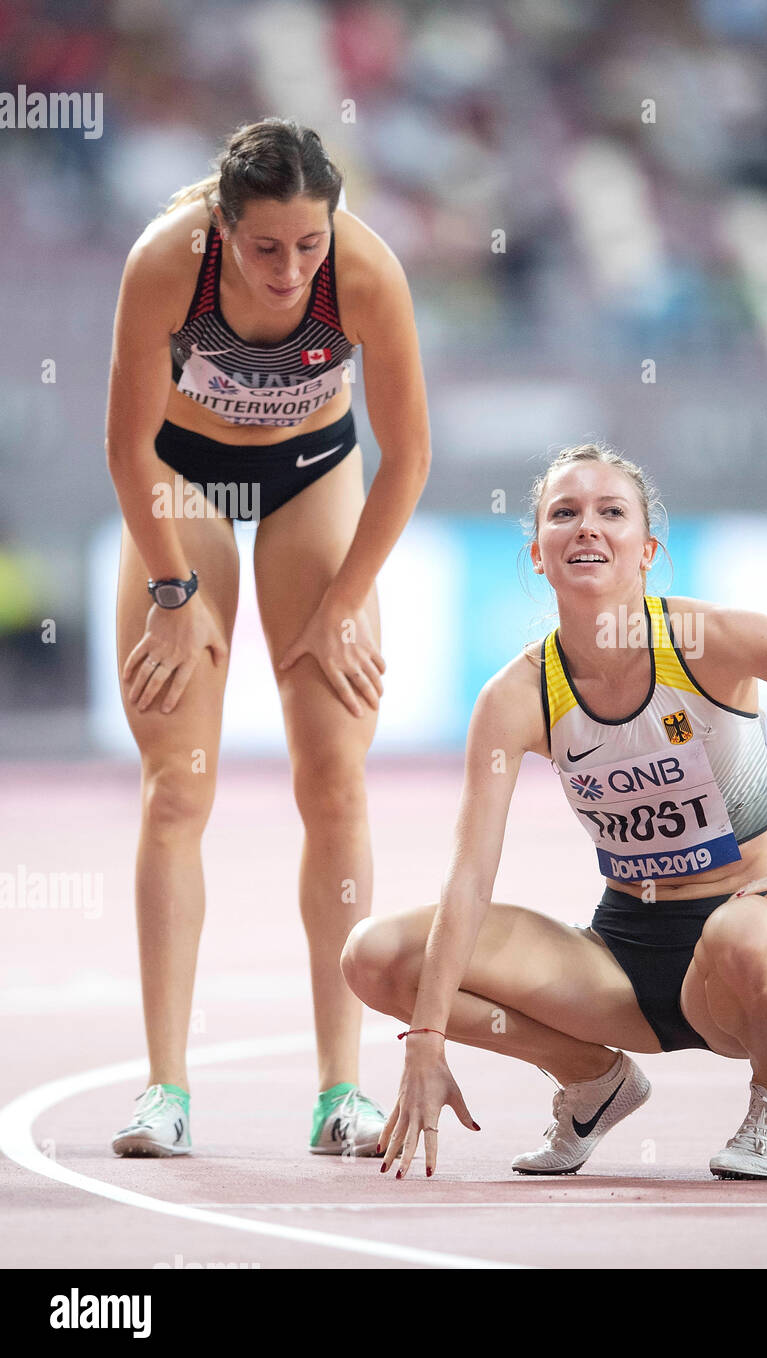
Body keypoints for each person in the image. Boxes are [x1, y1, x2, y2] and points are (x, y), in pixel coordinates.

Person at [341, 443, 767, 1180]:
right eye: (565, 514)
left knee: (741, 932)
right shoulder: (516, 698)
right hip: (616, 962)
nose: (588, 527)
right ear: (538, 556)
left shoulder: (708, 640)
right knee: (374, 956)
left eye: (611, 512)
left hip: (740, 958)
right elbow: (470, 875)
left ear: (646, 550)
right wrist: (425, 1038)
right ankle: (593, 1081)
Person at [105, 118, 430, 1156]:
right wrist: (171, 586)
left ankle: (342, 1089)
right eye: (265, 249)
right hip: (182, 473)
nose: (291, 271)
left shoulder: (366, 270)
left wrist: (345, 600)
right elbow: (123, 448)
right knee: (178, 784)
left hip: (312, 475)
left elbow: (409, 456)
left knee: (334, 775)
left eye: (308, 245)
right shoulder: (166, 261)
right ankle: (164, 1088)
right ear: (221, 227)